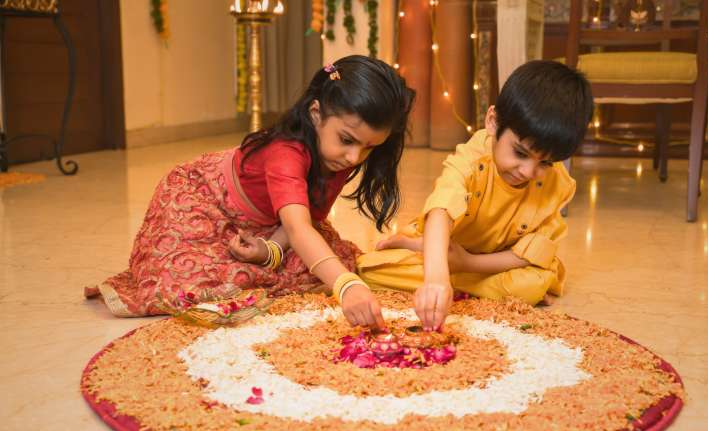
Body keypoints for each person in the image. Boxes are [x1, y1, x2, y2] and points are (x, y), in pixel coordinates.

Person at [86, 55, 414, 329]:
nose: (355, 158)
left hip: (270, 220)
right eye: (347, 140)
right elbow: (299, 228)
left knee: (328, 262)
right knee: (186, 284)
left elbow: (304, 220)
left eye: (369, 148)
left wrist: (271, 250)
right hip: (204, 200)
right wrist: (346, 287)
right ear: (316, 114)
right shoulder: (286, 153)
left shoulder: (339, 157)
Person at [357, 60, 593, 331]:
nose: (528, 172)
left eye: (546, 163)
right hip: (449, 247)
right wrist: (437, 279)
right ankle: (429, 250)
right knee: (369, 269)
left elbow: (530, 255)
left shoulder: (556, 182)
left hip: (492, 261)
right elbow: (441, 211)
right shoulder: (472, 159)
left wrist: (466, 262)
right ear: (493, 122)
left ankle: (430, 254)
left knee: (533, 283)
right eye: (520, 153)